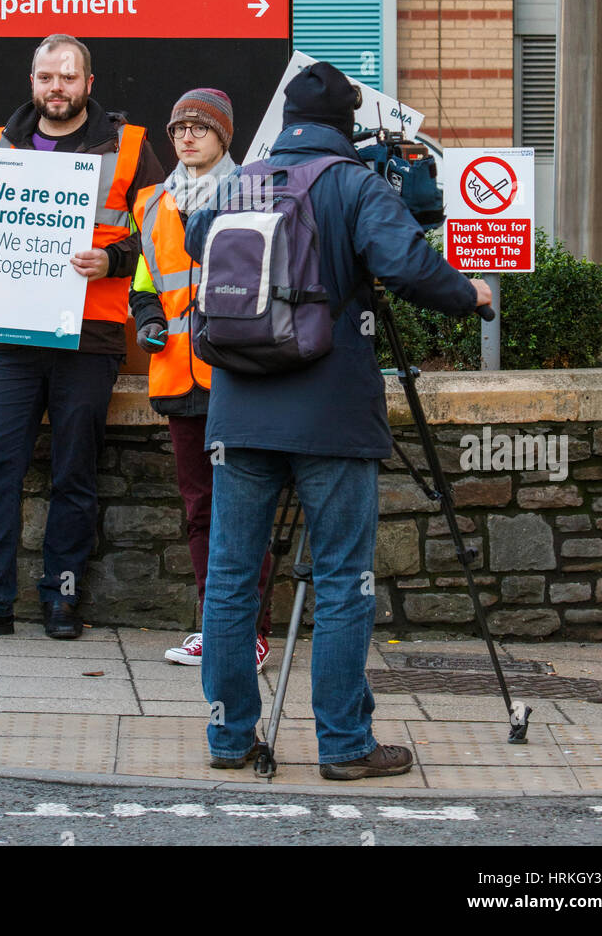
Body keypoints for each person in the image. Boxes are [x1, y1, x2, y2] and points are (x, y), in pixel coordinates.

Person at [185, 61, 492, 777]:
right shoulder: (353, 184)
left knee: (232, 580)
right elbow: (409, 267)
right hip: (330, 416)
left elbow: (198, 241)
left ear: (287, 119)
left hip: (239, 410)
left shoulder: (241, 180)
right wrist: (470, 295)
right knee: (344, 577)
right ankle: (346, 744)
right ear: (346, 125)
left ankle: (230, 738)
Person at [0, 35, 164, 641]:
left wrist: (114, 259)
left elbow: (164, 230)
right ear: (33, 81)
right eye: (47, 77)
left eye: (69, 77)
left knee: (73, 473)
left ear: (89, 82)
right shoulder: (1, 144)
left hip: (91, 336)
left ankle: (63, 597)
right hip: (11, 335)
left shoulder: (130, 146)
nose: (58, 88)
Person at [130, 89, 272, 673]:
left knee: (243, 508)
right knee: (198, 509)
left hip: (234, 380)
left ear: (223, 137)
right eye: (178, 128)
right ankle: (214, 625)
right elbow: (145, 280)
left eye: (199, 128)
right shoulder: (154, 203)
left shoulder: (253, 195)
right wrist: (149, 320)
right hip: (178, 379)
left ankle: (252, 633)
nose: (187, 137)